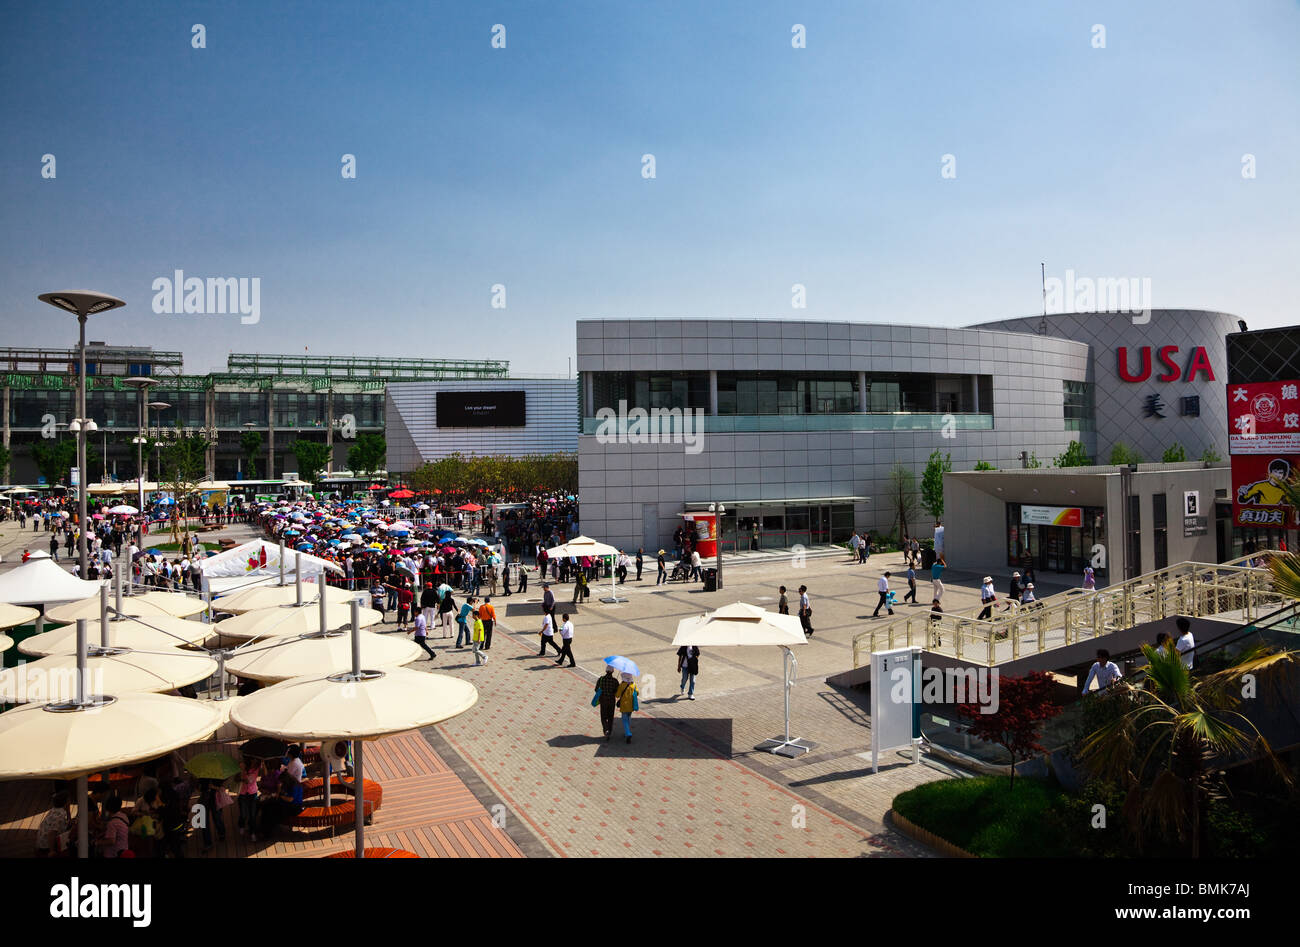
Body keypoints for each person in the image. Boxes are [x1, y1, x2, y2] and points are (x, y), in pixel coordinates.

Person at [36, 790, 71, 857]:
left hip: (41, 842)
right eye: (69, 801)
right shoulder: (59, 816)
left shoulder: (54, 810)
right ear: (66, 803)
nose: (70, 802)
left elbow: (68, 823)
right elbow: (51, 833)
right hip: (47, 846)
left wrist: (68, 812)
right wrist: (52, 851)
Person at [593, 665, 621, 741]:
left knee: (603, 717)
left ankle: (606, 730)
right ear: (612, 672)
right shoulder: (615, 681)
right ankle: (609, 731)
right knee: (610, 717)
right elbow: (617, 693)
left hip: (603, 700)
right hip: (611, 701)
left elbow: (596, 689)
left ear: (606, 671)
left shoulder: (601, 679)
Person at [238, 757, 261, 839]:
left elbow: (250, 780)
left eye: (255, 760)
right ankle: (242, 825)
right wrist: (241, 772)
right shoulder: (242, 766)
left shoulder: (257, 768)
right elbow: (236, 779)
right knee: (243, 814)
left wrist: (243, 771)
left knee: (252, 815)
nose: (254, 761)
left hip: (253, 793)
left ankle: (252, 833)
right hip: (243, 793)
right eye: (252, 760)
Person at [615, 672, 639, 744]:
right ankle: (627, 731)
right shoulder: (633, 685)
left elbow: (617, 695)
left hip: (624, 706)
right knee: (628, 718)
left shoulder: (622, 685)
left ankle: (628, 733)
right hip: (631, 706)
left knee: (624, 720)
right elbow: (637, 693)